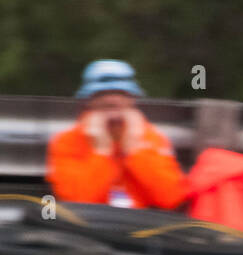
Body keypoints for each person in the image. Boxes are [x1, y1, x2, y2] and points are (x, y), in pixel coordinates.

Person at [46, 60, 188, 210]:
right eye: (102, 94)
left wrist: (135, 150)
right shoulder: (67, 141)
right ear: (88, 101)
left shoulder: (152, 138)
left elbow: (171, 198)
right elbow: (76, 201)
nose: (111, 99)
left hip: (143, 226)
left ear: (132, 99)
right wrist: (101, 151)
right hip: (88, 226)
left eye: (120, 93)